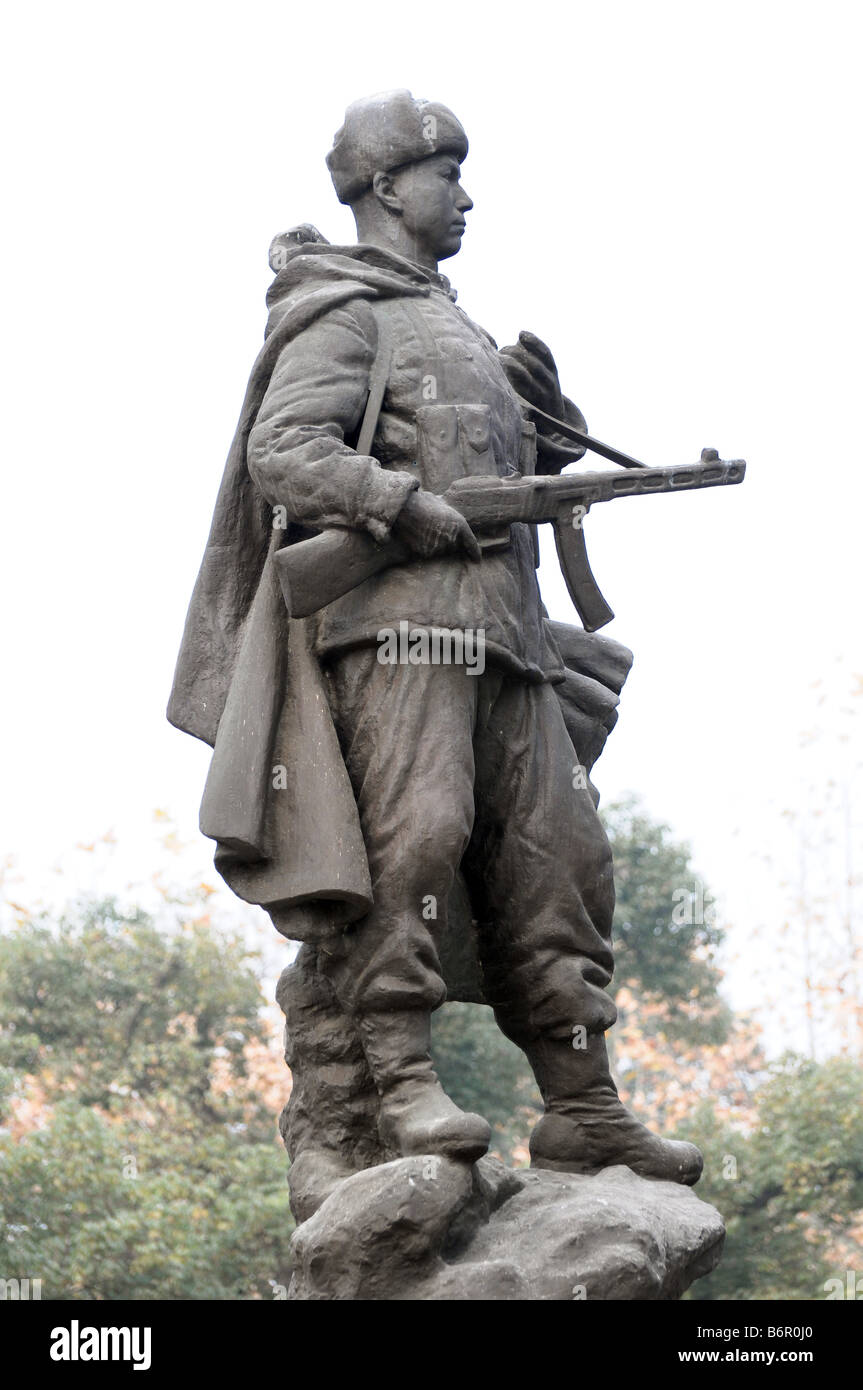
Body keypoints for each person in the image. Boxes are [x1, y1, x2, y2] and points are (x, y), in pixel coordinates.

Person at [169, 90, 702, 1189]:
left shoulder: (455, 325)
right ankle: (399, 1081)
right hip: (399, 635)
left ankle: (581, 1102)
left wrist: (541, 429)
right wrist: (401, 505)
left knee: (560, 860)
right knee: (414, 844)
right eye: (445, 173)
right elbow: (289, 452)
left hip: (506, 638)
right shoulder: (342, 313)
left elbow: (480, 467)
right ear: (383, 185)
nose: (463, 196)